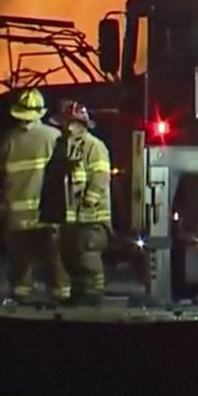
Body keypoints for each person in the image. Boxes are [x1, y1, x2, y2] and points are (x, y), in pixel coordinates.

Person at [0, 87, 68, 304]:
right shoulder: (54, 137)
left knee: (21, 262)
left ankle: (21, 299)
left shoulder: (8, 140)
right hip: (47, 213)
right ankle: (61, 296)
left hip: (16, 215)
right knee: (55, 258)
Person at [52, 100, 112, 304]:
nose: (68, 127)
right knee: (70, 254)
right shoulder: (62, 145)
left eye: (73, 122)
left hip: (92, 216)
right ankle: (79, 292)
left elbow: (100, 176)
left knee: (88, 253)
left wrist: (89, 201)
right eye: (66, 122)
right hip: (70, 215)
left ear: (83, 124)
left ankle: (95, 293)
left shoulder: (94, 146)